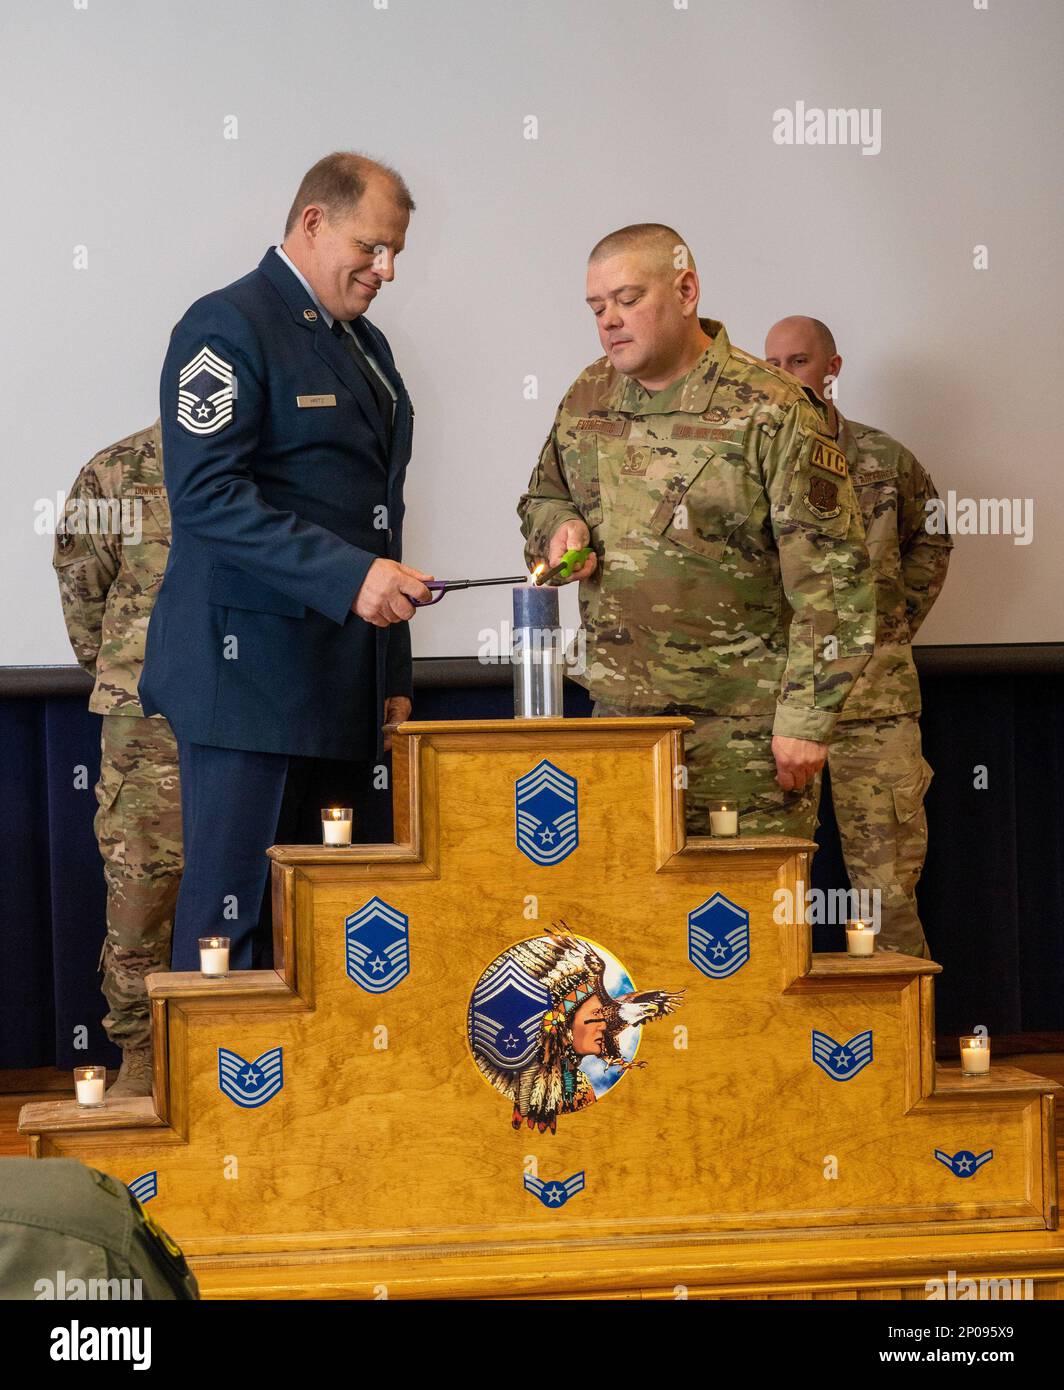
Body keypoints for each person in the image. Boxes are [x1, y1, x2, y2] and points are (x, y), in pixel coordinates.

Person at [140, 151, 431, 971]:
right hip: (249, 688)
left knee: (328, 933)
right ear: (313, 222)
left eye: (396, 252)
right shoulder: (226, 324)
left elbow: (378, 520)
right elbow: (207, 496)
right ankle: (220, 1102)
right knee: (232, 932)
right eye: (373, 248)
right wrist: (352, 581)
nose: (387, 270)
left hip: (340, 683)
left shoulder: (364, 343)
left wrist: (392, 673)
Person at [518, 225, 875, 838]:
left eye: (629, 300)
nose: (610, 321)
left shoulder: (772, 407)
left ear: (686, 291)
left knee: (741, 925)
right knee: (622, 923)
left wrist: (807, 718)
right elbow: (542, 496)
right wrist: (560, 527)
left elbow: (834, 579)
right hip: (620, 722)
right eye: (598, 307)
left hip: (744, 730)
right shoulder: (588, 395)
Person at [764, 316, 952, 956]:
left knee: (886, 894)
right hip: (778, 708)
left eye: (796, 361)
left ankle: (907, 1051)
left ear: (832, 367)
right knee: (766, 891)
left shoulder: (883, 458)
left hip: (874, 708)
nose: (783, 377)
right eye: (771, 365)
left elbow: (932, 539)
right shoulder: (749, 461)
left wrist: (887, 627)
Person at [53, 422, 181, 1097]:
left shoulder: (283, 457)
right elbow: (83, 590)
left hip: (259, 713)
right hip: (145, 722)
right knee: (142, 887)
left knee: (263, 885)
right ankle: (142, 1053)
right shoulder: (118, 471)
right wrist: (127, 673)